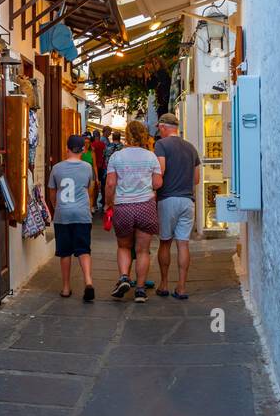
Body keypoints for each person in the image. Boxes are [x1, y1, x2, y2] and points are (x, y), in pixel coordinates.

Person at [104, 118, 163, 303]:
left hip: (123, 207)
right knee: (143, 250)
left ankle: (123, 277)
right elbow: (157, 183)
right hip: (145, 206)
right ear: (144, 136)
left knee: (124, 246)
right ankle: (140, 290)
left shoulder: (116, 157)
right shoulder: (151, 156)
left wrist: (108, 203)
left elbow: (111, 183)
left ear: (127, 136)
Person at [154, 111, 201, 299]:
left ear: (164, 127)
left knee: (165, 242)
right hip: (187, 201)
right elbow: (196, 179)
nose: (159, 132)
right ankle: (181, 287)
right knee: (183, 244)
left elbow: (161, 169)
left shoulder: (161, 145)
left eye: (159, 128)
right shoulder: (191, 148)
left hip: (168, 199)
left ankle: (164, 284)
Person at [48, 134, 96, 302]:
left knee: (65, 252)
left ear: (66, 148)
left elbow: (52, 192)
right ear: (83, 149)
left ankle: (66, 287)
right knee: (84, 250)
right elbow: (89, 187)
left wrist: (56, 207)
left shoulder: (57, 168)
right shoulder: (87, 167)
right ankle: (88, 281)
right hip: (82, 214)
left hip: (63, 214)